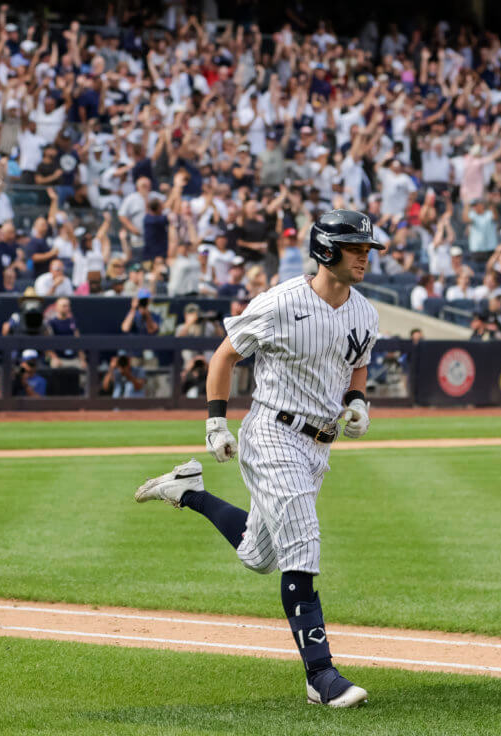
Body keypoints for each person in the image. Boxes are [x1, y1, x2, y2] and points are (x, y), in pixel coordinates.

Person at [134, 208, 381, 709]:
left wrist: (357, 402)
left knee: (259, 556)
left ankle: (189, 491)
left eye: (366, 250)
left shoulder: (365, 312)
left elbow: (358, 363)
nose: (364, 258)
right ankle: (321, 676)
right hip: (272, 433)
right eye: (355, 249)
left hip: (318, 445)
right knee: (303, 543)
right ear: (326, 250)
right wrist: (215, 423)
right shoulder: (280, 302)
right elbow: (225, 355)